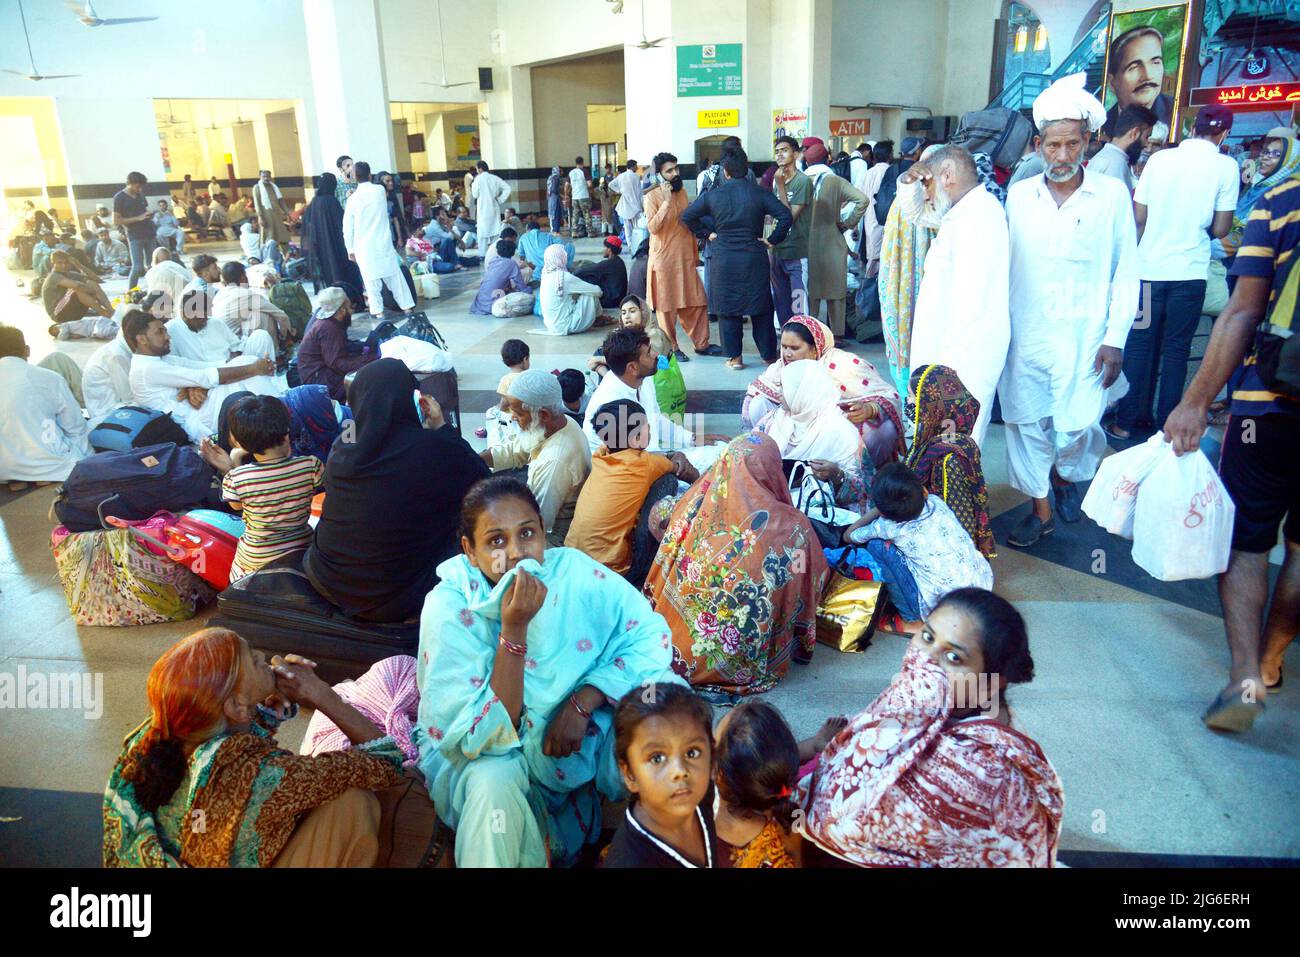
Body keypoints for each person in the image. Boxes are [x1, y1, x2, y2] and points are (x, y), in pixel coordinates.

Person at [413, 476, 677, 866]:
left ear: (544, 531)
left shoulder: (570, 573)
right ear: (469, 550)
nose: (517, 553)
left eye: (527, 533)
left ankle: (676, 846)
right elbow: (483, 737)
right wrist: (514, 629)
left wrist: (584, 700)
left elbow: (648, 635)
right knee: (493, 783)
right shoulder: (449, 607)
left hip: (575, 742)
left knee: (671, 706)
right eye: (496, 541)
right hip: (487, 756)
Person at [1162, 167, 1300, 731]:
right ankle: (1271, 662)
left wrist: (1194, 402)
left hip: (1269, 409)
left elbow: (1242, 311)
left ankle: (1243, 676)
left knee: (1246, 544)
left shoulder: (1281, 202)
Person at [799, 589, 1064, 868]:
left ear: (989, 683)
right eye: (927, 637)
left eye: (953, 658)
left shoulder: (979, 770)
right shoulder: (933, 703)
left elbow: (847, 824)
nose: (925, 659)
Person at [103, 627, 405, 867]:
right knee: (353, 802)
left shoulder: (154, 737)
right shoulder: (259, 774)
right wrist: (322, 695)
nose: (264, 656)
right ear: (236, 707)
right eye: (254, 660)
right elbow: (387, 763)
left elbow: (238, 725)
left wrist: (265, 699)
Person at [1000, 73, 1138, 548]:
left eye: (1072, 145)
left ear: (1088, 142)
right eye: (1053, 146)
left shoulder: (1112, 196)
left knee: (1077, 425)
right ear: (1038, 144)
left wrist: (1115, 337)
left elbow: (1127, 271)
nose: (1062, 156)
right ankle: (1040, 510)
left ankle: (1063, 479)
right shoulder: (1019, 196)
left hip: (1086, 336)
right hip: (1027, 334)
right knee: (1025, 422)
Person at [646, 432, 828, 699]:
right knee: (801, 567)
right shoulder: (794, 529)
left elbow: (659, 521)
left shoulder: (695, 504)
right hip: (738, 660)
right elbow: (811, 577)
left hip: (670, 641)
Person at [304, 359, 489, 623]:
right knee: (468, 528)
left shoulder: (342, 447)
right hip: (391, 598)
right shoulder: (436, 449)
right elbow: (485, 484)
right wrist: (442, 426)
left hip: (325, 576)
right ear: (414, 399)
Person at [1108, 105, 1240, 442]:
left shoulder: (1160, 161)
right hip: (1190, 275)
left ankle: (1126, 423)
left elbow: (1139, 217)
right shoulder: (1226, 167)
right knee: (1177, 350)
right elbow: (1222, 227)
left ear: (1192, 127)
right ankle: (1164, 426)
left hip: (1149, 273)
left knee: (1139, 345)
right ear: (1224, 133)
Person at [903, 144, 1010, 447]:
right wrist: (912, 182)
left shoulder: (980, 217)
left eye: (929, 184)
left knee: (956, 448)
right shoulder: (962, 212)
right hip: (948, 359)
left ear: (947, 175)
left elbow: (973, 302)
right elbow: (916, 215)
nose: (927, 194)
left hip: (961, 361)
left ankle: (954, 496)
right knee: (940, 446)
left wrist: (946, 371)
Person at [681, 148, 793, 370]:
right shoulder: (759, 193)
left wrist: (707, 233)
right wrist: (772, 239)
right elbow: (785, 215)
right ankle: (769, 356)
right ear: (747, 169)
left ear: (725, 172)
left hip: (724, 258)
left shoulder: (713, 196)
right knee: (761, 306)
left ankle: (735, 358)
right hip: (754, 256)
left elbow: (687, 216)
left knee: (727, 308)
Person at [743, 315, 901, 468]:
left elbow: (888, 395)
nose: (787, 354)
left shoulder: (844, 365)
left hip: (833, 430)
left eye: (794, 348)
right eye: (784, 347)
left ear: (814, 349)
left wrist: (870, 409)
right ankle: (776, 465)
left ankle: (858, 471)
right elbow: (755, 396)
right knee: (758, 403)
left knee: (884, 431)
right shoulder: (780, 367)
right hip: (792, 430)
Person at [843, 463, 993, 621]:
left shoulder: (886, 527)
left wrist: (877, 510)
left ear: (883, 510)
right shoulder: (936, 503)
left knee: (877, 546)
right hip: (981, 588)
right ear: (923, 490)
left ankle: (909, 616)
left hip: (940, 611)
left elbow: (848, 535)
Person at [565, 398, 693, 577]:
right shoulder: (647, 464)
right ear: (637, 438)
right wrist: (696, 474)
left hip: (573, 559)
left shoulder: (601, 454)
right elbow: (682, 469)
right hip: (612, 574)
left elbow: (649, 455)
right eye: (646, 426)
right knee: (668, 480)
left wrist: (668, 454)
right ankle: (644, 571)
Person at [713, 701, 846, 868]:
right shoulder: (792, 819)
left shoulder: (700, 837)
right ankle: (816, 746)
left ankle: (816, 746)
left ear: (715, 772)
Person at [602, 684, 718, 868]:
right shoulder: (628, 861)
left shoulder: (701, 792)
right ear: (630, 774)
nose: (680, 771)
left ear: (712, 759)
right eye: (657, 758)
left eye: (692, 753)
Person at [123, 310, 279, 443]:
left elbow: (203, 367)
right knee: (247, 366)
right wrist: (254, 368)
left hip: (201, 406)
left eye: (165, 331)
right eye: (160, 332)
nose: (167, 336)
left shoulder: (161, 359)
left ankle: (279, 408)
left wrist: (194, 387)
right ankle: (282, 409)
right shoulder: (146, 368)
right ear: (141, 339)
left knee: (244, 361)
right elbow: (205, 377)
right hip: (194, 421)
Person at [480, 370, 592, 546]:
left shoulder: (554, 462)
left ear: (543, 415)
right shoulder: (560, 423)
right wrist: (473, 459)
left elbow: (536, 524)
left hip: (553, 538)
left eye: (517, 413)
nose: (513, 417)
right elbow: (517, 449)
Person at [220, 395, 325, 581]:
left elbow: (236, 506)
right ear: (286, 432)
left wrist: (236, 459)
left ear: (240, 443)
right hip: (302, 551)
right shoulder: (311, 466)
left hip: (255, 561)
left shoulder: (236, 478)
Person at [905, 364, 996, 556]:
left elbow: (960, 522)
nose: (908, 401)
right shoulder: (930, 442)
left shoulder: (949, 460)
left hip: (945, 552)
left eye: (913, 397)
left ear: (932, 405)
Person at [645, 152, 720, 361]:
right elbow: (652, 227)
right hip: (664, 259)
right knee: (667, 307)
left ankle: (701, 344)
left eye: (676, 168)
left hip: (685, 257)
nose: (675, 173)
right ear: (660, 174)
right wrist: (666, 202)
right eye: (669, 171)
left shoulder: (682, 192)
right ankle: (671, 348)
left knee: (696, 302)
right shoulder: (651, 196)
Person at [583, 327, 703, 454]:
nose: (656, 354)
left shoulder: (643, 379)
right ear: (633, 367)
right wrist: (671, 461)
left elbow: (656, 419)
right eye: (649, 352)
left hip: (649, 459)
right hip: (627, 468)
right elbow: (631, 458)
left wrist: (693, 439)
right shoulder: (611, 402)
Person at [0, 326, 91, 484]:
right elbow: (75, 427)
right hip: (52, 466)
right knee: (86, 439)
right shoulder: (49, 378)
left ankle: (17, 475)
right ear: (27, 350)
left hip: (4, 470)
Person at [801, 140, 870, 339]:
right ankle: (837, 337)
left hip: (805, 245)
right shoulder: (835, 181)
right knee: (835, 294)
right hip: (833, 244)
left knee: (810, 293)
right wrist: (847, 223)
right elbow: (862, 200)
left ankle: (809, 335)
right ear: (828, 159)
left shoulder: (799, 180)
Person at [758, 359, 865, 480]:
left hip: (818, 497)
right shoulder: (777, 417)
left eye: (784, 387)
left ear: (801, 393)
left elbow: (863, 487)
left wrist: (838, 476)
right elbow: (752, 447)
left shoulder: (842, 433)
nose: (778, 392)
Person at [342, 162, 415, 316]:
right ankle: (407, 306)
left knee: (370, 280)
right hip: (383, 243)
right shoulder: (379, 190)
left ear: (354, 176)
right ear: (370, 175)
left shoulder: (352, 199)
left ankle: (378, 311)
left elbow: (347, 227)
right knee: (394, 276)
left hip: (363, 246)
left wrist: (350, 249)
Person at [1222, 127, 1300, 271]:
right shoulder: (1261, 185)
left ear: (1290, 159)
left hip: (1254, 267)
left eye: (1276, 154)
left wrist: (1208, 250)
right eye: (1265, 151)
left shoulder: (1280, 194)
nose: (1264, 157)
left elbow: (1243, 233)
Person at [295, 286, 376, 402]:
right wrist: (370, 360)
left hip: (322, 371)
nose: (352, 311)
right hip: (318, 379)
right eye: (350, 307)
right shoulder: (328, 328)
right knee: (368, 378)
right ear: (342, 310)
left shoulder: (330, 322)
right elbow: (337, 364)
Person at [769, 136, 812, 327]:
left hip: (796, 250)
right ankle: (786, 338)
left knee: (798, 302)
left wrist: (780, 186)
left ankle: (802, 337)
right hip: (777, 249)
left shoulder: (803, 181)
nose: (779, 154)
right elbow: (773, 215)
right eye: (777, 151)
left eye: (784, 150)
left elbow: (788, 218)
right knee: (781, 301)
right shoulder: (777, 180)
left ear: (796, 154)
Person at [1103, 25, 1174, 137]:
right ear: (1112, 82)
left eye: (1155, 62)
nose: (1148, 76)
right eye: (1134, 67)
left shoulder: (1173, 111)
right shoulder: (1103, 123)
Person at [302, 172, 365, 294]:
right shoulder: (332, 201)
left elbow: (308, 226)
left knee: (330, 274)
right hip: (338, 247)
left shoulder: (314, 203)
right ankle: (352, 299)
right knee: (345, 272)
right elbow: (343, 224)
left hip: (323, 249)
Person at [213, 261, 292, 358]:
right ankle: (272, 355)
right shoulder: (245, 294)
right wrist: (286, 336)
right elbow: (281, 316)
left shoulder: (220, 294)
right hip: (236, 348)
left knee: (252, 313)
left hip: (224, 346)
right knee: (262, 315)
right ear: (242, 277)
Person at [166, 287, 248, 364]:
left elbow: (237, 346)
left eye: (207, 314)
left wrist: (231, 363)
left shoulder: (215, 323)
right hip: (203, 375)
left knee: (259, 336)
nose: (206, 319)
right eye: (201, 317)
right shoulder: (170, 330)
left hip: (232, 366)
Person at [1088, 104, 1157, 191]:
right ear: (1135, 133)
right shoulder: (1116, 164)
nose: (1146, 144)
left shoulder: (1109, 157)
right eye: (1146, 137)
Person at [539, 244, 601, 336]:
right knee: (590, 295)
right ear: (561, 258)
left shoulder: (545, 275)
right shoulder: (563, 277)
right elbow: (597, 291)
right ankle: (599, 318)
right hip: (567, 325)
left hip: (552, 326)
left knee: (578, 294)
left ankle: (598, 318)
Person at [43, 249, 114, 326]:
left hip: (73, 312)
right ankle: (104, 313)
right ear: (53, 264)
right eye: (59, 263)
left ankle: (111, 310)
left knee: (91, 282)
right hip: (58, 314)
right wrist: (94, 292)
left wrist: (78, 265)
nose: (64, 266)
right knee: (76, 289)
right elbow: (77, 286)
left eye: (66, 263)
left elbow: (97, 280)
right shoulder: (53, 276)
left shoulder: (70, 274)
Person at [113, 171, 157, 290]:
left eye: (141, 187)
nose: (140, 189)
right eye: (138, 186)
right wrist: (138, 218)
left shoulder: (140, 195)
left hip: (149, 232)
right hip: (135, 235)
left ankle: (153, 289)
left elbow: (145, 210)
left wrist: (149, 214)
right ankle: (131, 291)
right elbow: (116, 220)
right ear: (130, 184)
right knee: (137, 267)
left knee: (153, 265)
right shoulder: (119, 197)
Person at [471, 238, 530, 316]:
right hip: (493, 305)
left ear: (498, 251)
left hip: (479, 304)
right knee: (528, 296)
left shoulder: (493, 260)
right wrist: (529, 289)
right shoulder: (511, 264)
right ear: (513, 253)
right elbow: (522, 287)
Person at [470, 160, 511, 257]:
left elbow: (475, 194)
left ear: (480, 169)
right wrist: (500, 199)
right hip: (494, 207)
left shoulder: (478, 179)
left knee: (482, 234)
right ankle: (495, 253)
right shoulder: (495, 178)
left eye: (477, 169)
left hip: (483, 209)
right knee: (495, 232)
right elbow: (507, 188)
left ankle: (483, 255)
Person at [575, 236, 628, 308]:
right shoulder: (618, 261)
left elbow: (582, 271)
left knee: (587, 278)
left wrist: (571, 276)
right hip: (618, 298)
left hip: (612, 301)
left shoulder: (608, 264)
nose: (602, 250)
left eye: (604, 247)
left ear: (609, 249)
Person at [144, 248, 191, 318]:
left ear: (155, 260)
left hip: (172, 313)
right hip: (189, 309)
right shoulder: (181, 268)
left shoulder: (153, 272)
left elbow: (152, 298)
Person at [253, 169, 291, 253]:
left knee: (282, 236)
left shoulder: (274, 187)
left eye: (268, 176)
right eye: (264, 176)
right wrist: (260, 217)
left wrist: (288, 212)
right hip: (266, 217)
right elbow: (257, 203)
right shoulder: (257, 188)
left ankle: (288, 255)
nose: (266, 178)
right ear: (260, 177)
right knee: (268, 237)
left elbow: (281, 201)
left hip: (277, 216)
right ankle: (268, 256)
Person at [609, 159, 644, 239]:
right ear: (633, 166)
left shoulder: (621, 176)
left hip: (625, 204)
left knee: (627, 227)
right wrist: (642, 205)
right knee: (636, 226)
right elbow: (639, 193)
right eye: (636, 166)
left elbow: (610, 184)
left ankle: (629, 244)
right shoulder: (636, 177)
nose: (637, 168)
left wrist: (619, 191)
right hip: (635, 204)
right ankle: (637, 242)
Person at [569, 156, 592, 238]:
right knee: (587, 214)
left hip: (574, 197)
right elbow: (590, 184)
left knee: (575, 215)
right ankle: (590, 232)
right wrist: (589, 190)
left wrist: (566, 196)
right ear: (582, 162)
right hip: (583, 196)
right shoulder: (584, 171)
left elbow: (566, 185)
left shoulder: (571, 172)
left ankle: (574, 232)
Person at [546, 164, 565, 231]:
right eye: (561, 171)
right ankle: (555, 231)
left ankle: (555, 230)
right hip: (555, 199)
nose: (563, 173)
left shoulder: (551, 177)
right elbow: (554, 189)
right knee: (555, 214)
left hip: (552, 199)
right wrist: (561, 195)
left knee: (554, 215)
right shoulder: (556, 178)